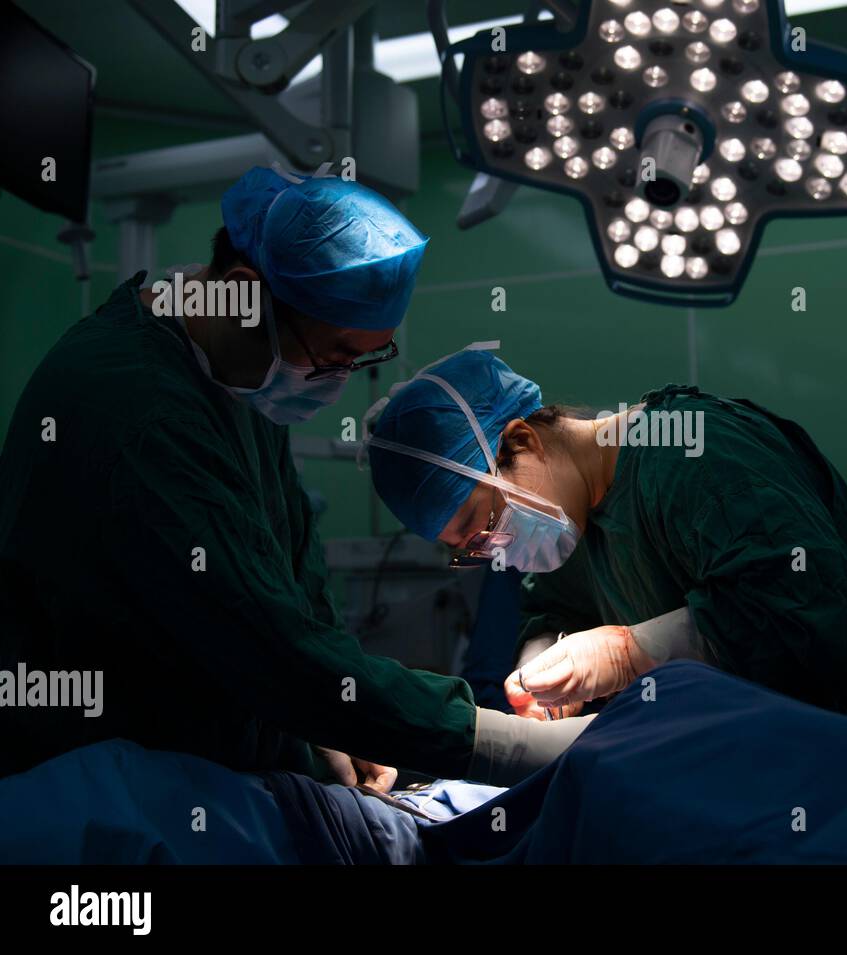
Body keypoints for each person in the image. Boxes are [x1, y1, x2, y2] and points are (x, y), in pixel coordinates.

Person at [366, 347, 847, 863]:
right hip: (817, 782)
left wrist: (628, 650)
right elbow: (549, 606)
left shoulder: (693, 454)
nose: (494, 548)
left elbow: (807, 607)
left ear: (520, 440)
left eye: (485, 521)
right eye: (471, 548)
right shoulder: (576, 524)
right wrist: (540, 659)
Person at [0, 167, 588, 789]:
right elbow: (261, 644)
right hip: (103, 783)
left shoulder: (244, 378)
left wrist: (331, 725)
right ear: (243, 297)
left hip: (207, 770)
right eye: (335, 358)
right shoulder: (138, 410)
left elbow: (296, 590)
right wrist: (507, 742)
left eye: (364, 359)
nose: (339, 383)